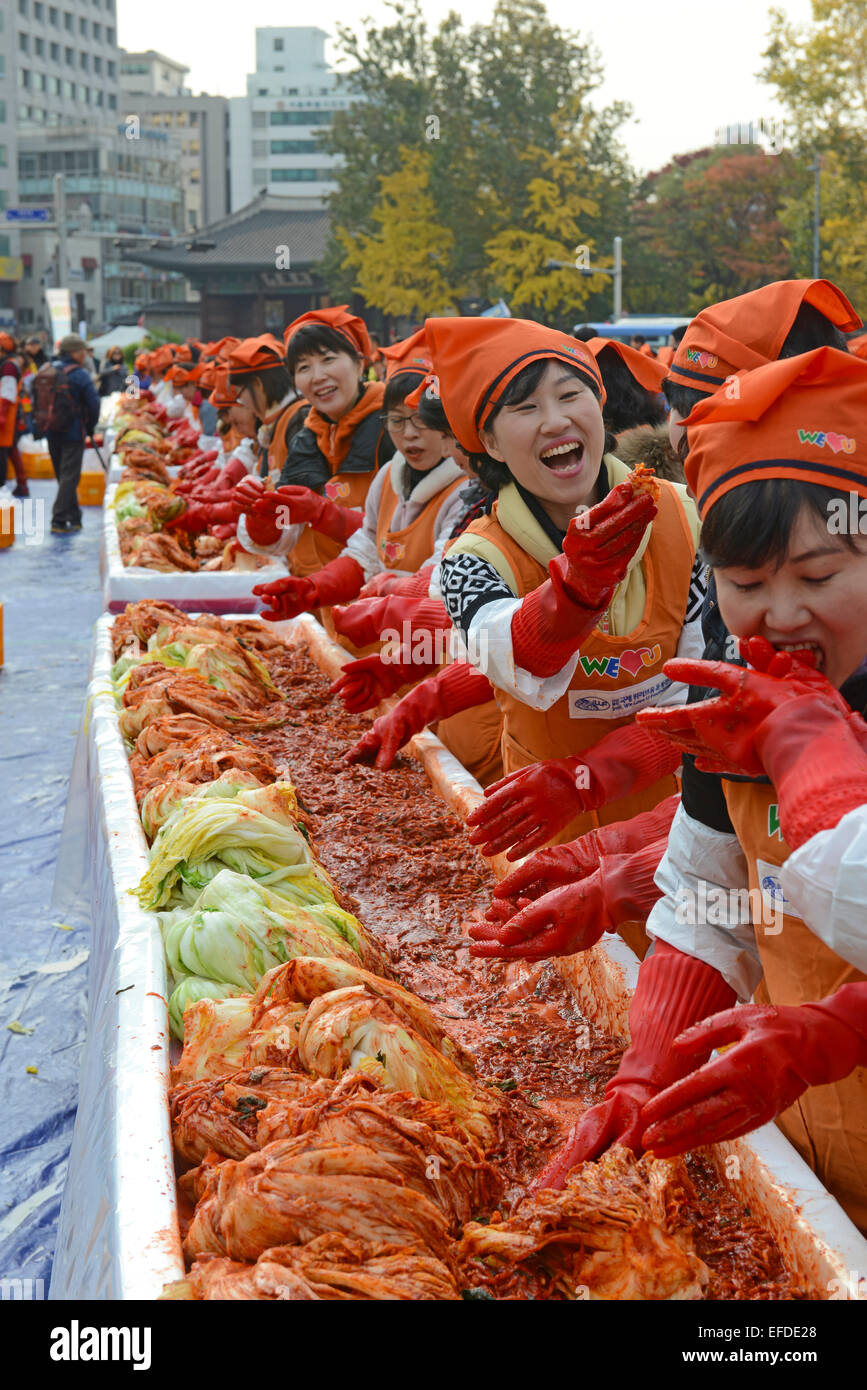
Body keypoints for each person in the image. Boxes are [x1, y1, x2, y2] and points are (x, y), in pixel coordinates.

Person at [535, 348, 867, 1233]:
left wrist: (833, 1031)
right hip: (812, 1149)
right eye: (747, 585)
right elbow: (709, 895)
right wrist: (645, 1068)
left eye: (820, 575)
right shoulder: (737, 695)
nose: (782, 614)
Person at [419, 319, 702, 892]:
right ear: (490, 443)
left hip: (673, 824)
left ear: (599, 406)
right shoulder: (470, 559)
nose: (555, 420)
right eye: (525, 407)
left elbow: (704, 694)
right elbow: (517, 657)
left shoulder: (688, 515)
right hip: (540, 830)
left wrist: (590, 778)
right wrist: (574, 593)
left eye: (571, 394)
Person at [244, 329, 465, 631]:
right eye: (397, 420)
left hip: (424, 649)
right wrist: (311, 589)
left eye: (423, 419)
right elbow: (365, 554)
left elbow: (440, 582)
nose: (410, 433)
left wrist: (323, 514)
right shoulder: (389, 476)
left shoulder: (468, 491)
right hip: (370, 635)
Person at [234, 307, 394, 583]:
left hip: (388, 611)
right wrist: (261, 515)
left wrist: (323, 513)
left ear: (359, 364)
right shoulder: (307, 437)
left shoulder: (394, 428)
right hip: (324, 606)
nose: (318, 376)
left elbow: (402, 540)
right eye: (304, 367)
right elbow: (287, 532)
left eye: (328, 359)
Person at [36, 332, 100, 534]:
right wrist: (91, 425)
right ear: (75, 352)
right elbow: (93, 403)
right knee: (70, 477)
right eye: (82, 351)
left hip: (50, 430)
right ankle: (59, 518)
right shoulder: (79, 374)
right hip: (73, 431)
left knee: (62, 476)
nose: (85, 355)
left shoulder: (48, 369)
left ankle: (73, 517)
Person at [0, 332, 28, 499]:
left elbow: (7, 392)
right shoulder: (8, 363)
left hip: (7, 417)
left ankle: (3, 488)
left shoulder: (9, 366)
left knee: (3, 453)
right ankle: (22, 484)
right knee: (10, 451)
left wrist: (1, 414)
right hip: (7, 416)